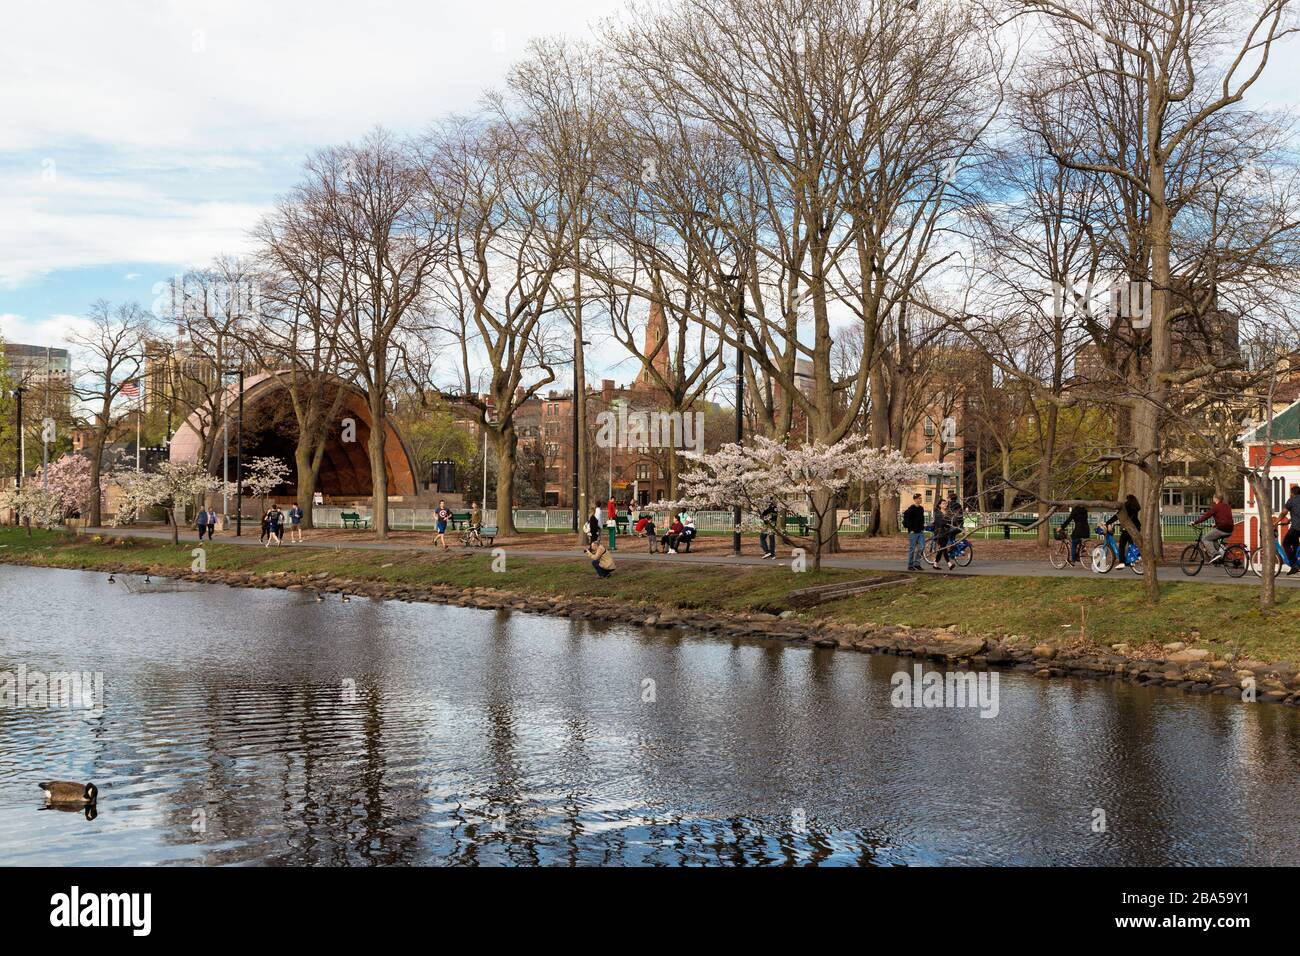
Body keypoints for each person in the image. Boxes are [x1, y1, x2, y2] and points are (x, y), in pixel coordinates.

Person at [1191, 493, 1234, 563]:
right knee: (1213, 539)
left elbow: (1206, 516)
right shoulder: (1227, 506)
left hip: (1222, 529)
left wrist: (1195, 522)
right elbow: (1225, 518)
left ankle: (1214, 554)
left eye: (1213, 498)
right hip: (1230, 529)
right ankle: (1222, 556)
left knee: (1205, 538)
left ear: (1215, 498)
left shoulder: (1216, 507)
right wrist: (1216, 524)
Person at [1106, 494, 1141, 568]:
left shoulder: (1125, 508)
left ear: (1128, 500)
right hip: (1136, 527)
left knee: (1122, 544)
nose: (1125, 500)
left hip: (1128, 529)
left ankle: (1122, 562)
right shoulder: (1135, 508)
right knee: (1130, 543)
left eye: (1126, 499)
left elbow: (1117, 516)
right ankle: (1131, 560)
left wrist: (1108, 522)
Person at [1280, 484, 1300, 574]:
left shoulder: (1291, 500)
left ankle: (1294, 565)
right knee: (1295, 543)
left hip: (1296, 528)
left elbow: (1284, 513)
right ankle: (1297, 563)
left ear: (1292, 493)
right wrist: (1290, 520)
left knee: (1286, 543)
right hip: (1296, 527)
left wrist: (1275, 522)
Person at [902, 493, 926, 570]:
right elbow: (906, 520)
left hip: (920, 531)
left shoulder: (921, 508)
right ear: (915, 499)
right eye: (919, 498)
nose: (920, 500)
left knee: (922, 547)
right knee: (912, 549)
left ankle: (917, 563)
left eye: (921, 498)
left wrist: (922, 527)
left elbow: (922, 519)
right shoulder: (911, 509)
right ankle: (910, 565)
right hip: (913, 532)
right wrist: (910, 529)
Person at [929, 498, 951, 570]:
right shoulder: (938, 513)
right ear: (939, 505)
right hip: (939, 533)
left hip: (946, 532)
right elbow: (941, 523)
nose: (945, 505)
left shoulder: (947, 512)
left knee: (941, 549)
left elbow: (950, 521)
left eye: (946, 503)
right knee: (943, 548)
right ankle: (949, 564)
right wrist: (948, 523)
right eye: (943, 503)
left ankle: (935, 564)